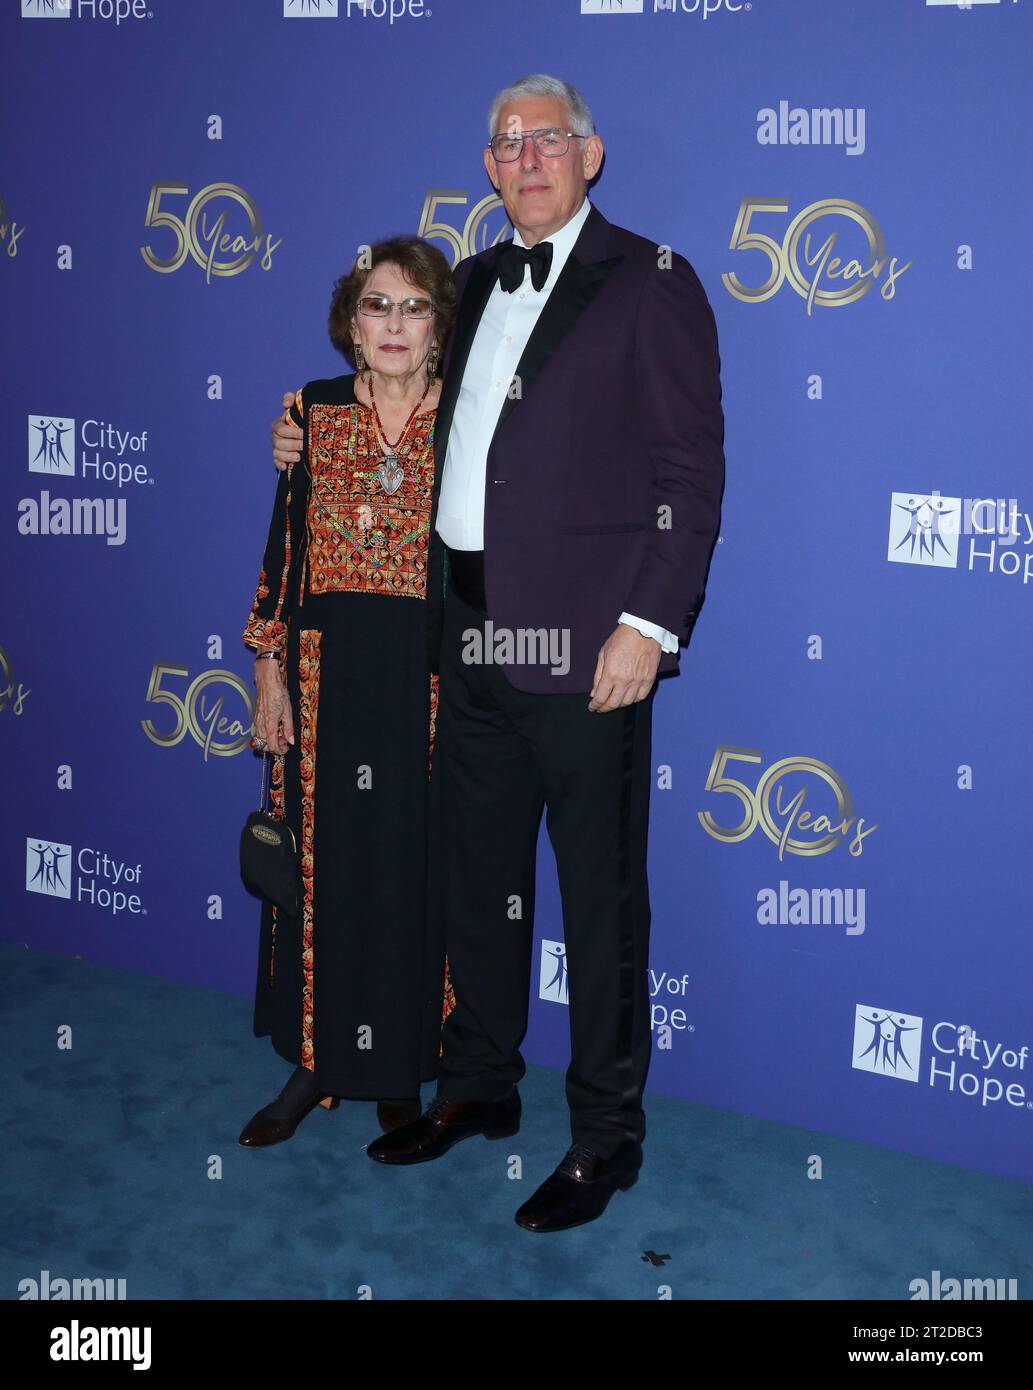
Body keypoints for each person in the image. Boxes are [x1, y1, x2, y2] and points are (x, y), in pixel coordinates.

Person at [270, 73, 725, 1231]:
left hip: (587, 651)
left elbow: (689, 473)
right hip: (462, 633)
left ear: (591, 154)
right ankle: (478, 1085)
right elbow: (405, 393)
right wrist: (304, 429)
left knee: (601, 902)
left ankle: (605, 1139)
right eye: (506, 142)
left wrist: (648, 624)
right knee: (481, 884)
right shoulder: (465, 282)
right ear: (486, 165)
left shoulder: (652, 282)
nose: (526, 157)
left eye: (547, 139)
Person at [239, 236, 457, 1147]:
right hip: (327, 677)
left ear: (442, 325)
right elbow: (282, 556)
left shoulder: (474, 419)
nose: (394, 323)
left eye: (413, 306)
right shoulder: (313, 412)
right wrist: (266, 668)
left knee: (417, 869)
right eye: (377, 305)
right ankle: (317, 1062)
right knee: (324, 873)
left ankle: (401, 1063)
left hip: (435, 679)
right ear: (351, 325)